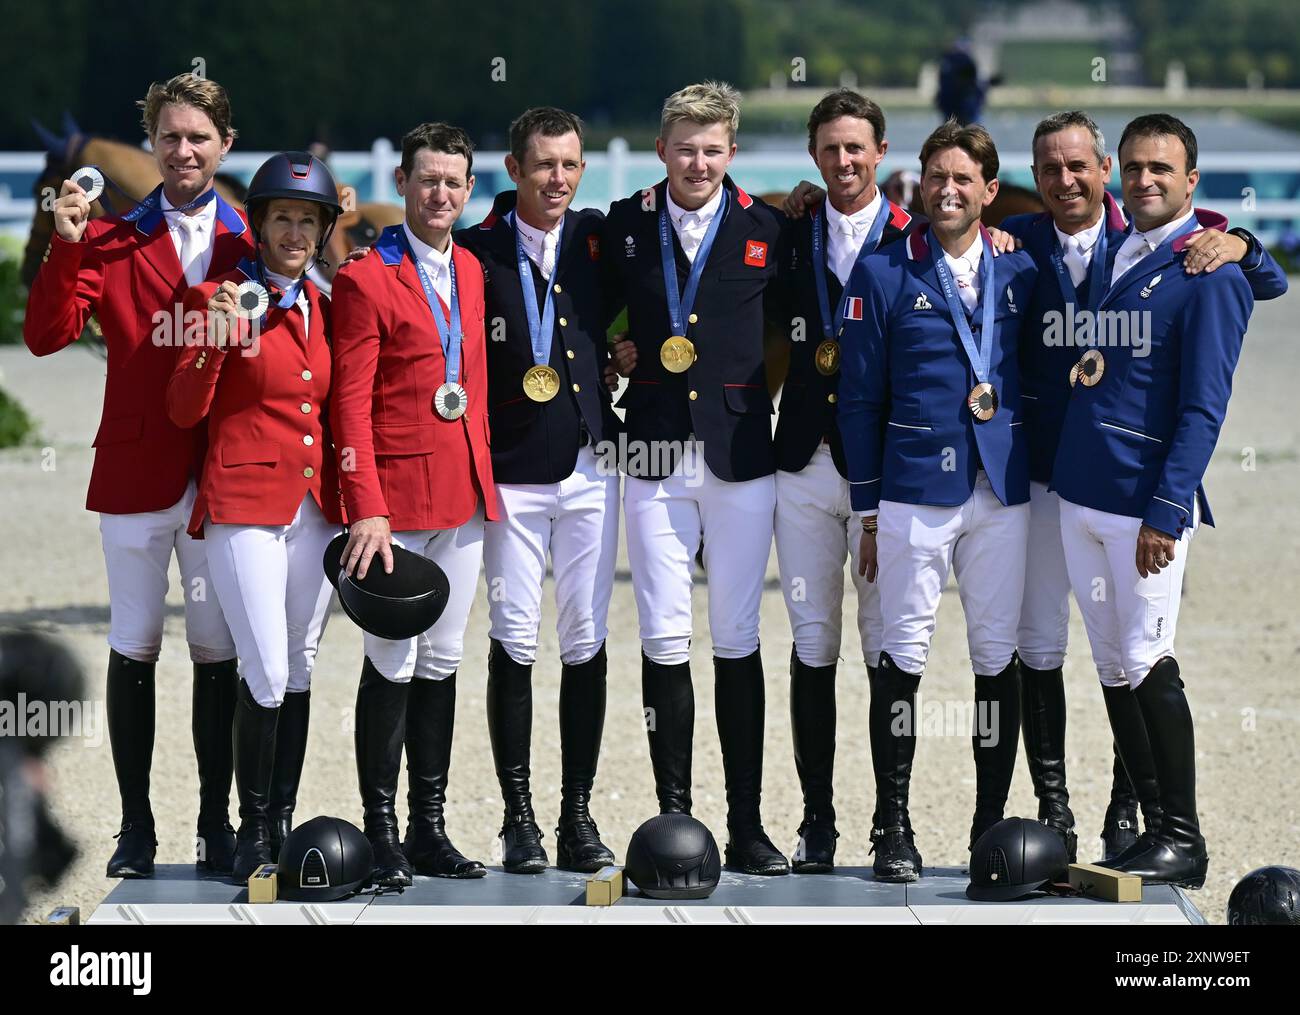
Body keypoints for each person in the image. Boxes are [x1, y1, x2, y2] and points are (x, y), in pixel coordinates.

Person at [997, 111, 1288, 862]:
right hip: (1081, 488)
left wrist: (1168, 505)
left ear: (1193, 180)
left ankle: (1182, 834)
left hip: (1142, 499)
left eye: (1162, 168)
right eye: (1135, 168)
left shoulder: (1211, 267)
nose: (1146, 179)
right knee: (1116, 664)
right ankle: (1154, 828)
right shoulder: (1123, 247)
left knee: (1151, 658)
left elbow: (1204, 405)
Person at [23, 74, 252, 878]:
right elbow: (48, 336)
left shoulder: (254, 239)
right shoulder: (112, 238)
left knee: (217, 653)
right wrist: (67, 243)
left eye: (198, 137)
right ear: (151, 144)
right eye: (169, 136)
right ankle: (136, 824)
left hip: (223, 471)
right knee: (137, 647)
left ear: (225, 142)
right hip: (134, 470)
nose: (183, 150)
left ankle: (217, 825)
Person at [840, 120, 1039, 881]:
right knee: (902, 657)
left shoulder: (1022, 271)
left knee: (996, 657)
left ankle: (989, 825)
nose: (948, 191)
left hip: (1002, 488)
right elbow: (858, 401)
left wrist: (1241, 243)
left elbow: (1104, 228)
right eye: (936, 178)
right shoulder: (884, 272)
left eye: (964, 180)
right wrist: (867, 509)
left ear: (990, 192)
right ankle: (893, 821)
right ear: (919, 184)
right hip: (914, 490)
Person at [601, 81, 789, 875]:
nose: (699, 162)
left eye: (713, 150)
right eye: (686, 148)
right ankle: (675, 823)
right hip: (649, 451)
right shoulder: (624, 224)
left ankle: (745, 822)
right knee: (663, 638)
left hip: (740, 453)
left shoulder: (770, 229)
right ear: (661, 150)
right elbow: (585, 312)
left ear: (732, 153)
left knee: (738, 638)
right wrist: (610, 351)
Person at [166, 151, 344, 882]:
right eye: (282, 219)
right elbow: (182, 409)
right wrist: (208, 339)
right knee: (265, 666)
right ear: (260, 225)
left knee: (299, 665)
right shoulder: (219, 294)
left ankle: (280, 816)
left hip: (315, 508)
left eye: (307, 220)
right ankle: (251, 830)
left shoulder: (329, 304)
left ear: (321, 227)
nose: (294, 232)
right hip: (242, 505)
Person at [330, 123, 497, 886]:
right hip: (393, 500)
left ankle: (430, 827)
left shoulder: (469, 268)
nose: (440, 194)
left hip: (460, 491)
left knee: (444, 660)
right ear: (402, 182)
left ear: (469, 189)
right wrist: (364, 504)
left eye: (453, 182)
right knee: (390, 659)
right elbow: (349, 403)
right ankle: (382, 829)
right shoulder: (366, 277)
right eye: (427, 180)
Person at [455, 107, 620, 874]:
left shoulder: (596, 239)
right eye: (544, 164)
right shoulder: (475, 249)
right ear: (515, 168)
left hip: (591, 464)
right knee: (515, 640)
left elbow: (680, 234)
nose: (558, 178)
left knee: (585, 640)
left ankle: (576, 813)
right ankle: (518, 817)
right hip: (512, 471)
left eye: (570, 165)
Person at [768, 89, 914, 873]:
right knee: (812, 643)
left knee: (888, 649)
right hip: (801, 464)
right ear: (814, 156)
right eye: (830, 150)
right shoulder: (791, 231)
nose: (844, 162)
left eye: (856, 148)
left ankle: (893, 821)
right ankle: (817, 819)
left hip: (884, 474)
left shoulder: (916, 238)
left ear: (880, 152)